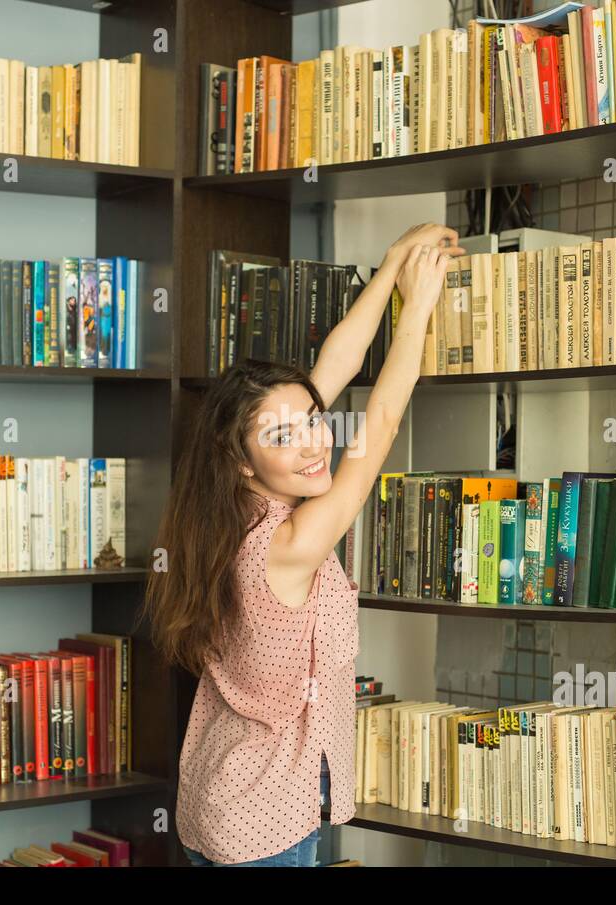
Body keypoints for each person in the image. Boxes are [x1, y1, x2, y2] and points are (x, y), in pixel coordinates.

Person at [144, 223, 464, 866]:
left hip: (217, 802)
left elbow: (334, 368)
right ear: (241, 459)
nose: (314, 442)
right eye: (284, 436)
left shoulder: (225, 512)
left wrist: (391, 265)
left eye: (314, 423)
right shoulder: (288, 543)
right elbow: (381, 424)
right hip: (267, 816)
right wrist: (417, 308)